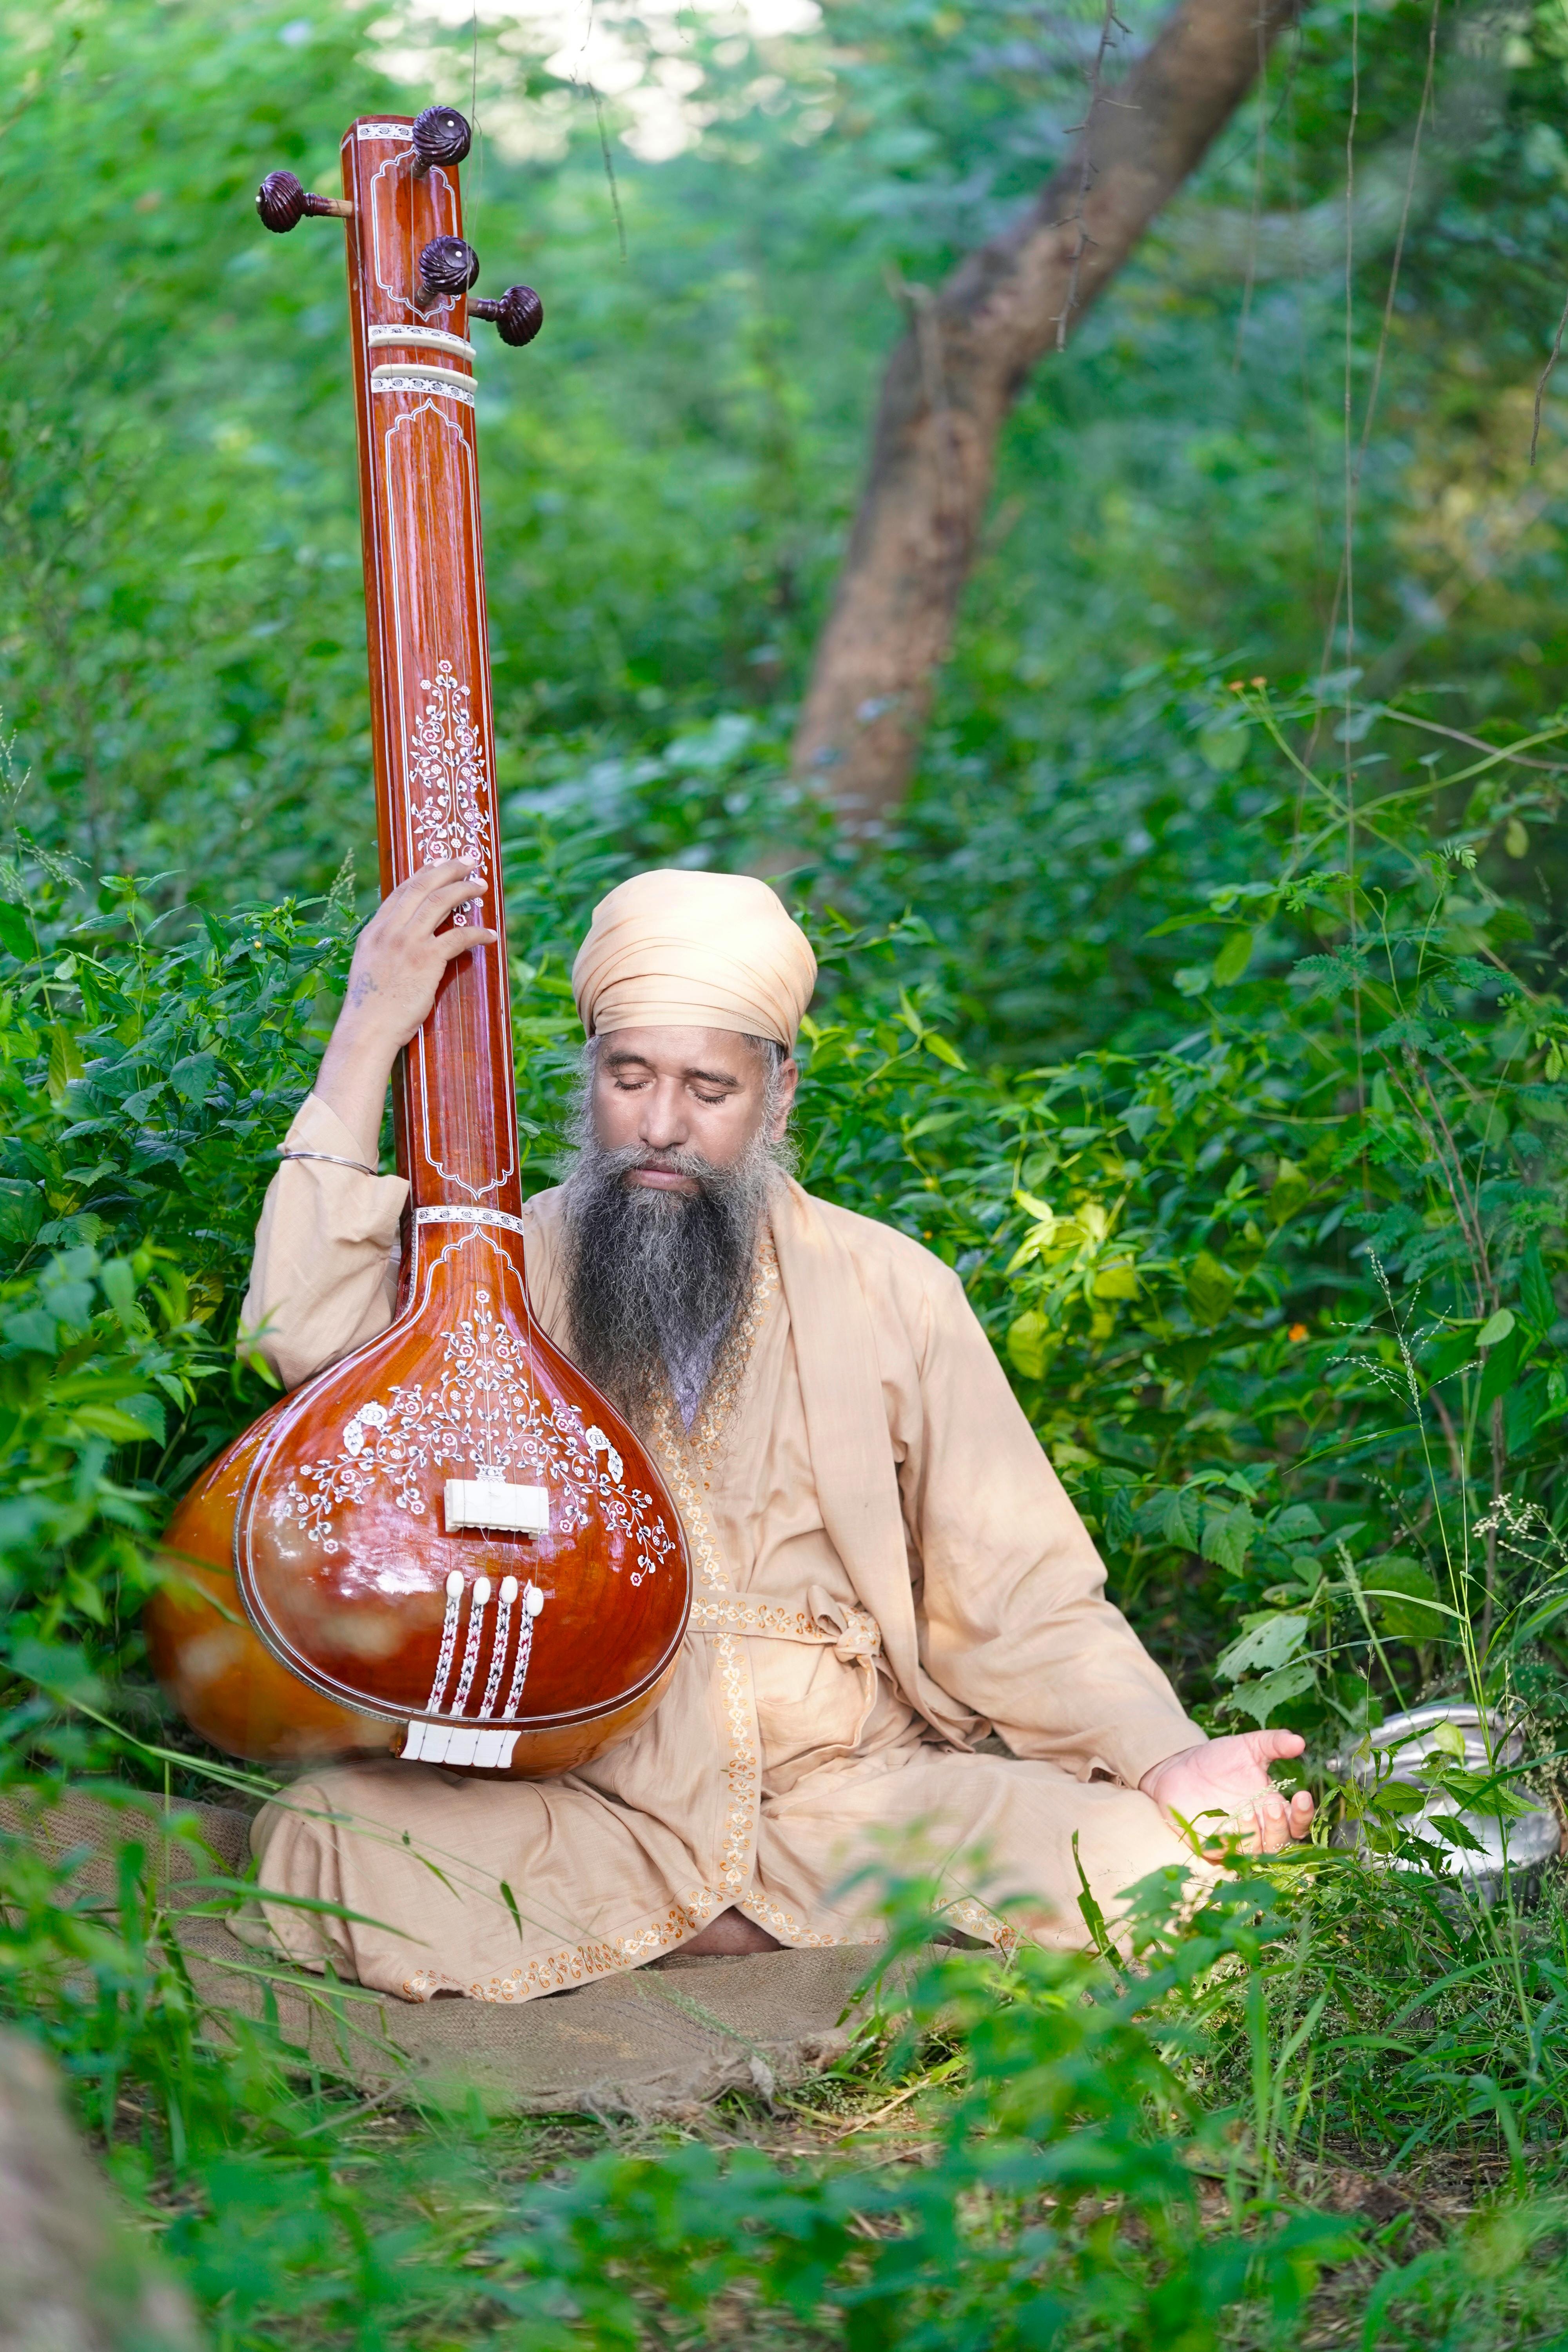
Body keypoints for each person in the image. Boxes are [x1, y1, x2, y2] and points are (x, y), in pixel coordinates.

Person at [238, 860, 1314, 2004]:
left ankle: (713, 1930)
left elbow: (1023, 1593)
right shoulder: (500, 1269)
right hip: (592, 1797)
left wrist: (1166, 1755)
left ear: (778, 1096)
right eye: (629, 1077)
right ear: (588, 1079)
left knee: (1166, 1864)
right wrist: (368, 1032)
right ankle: (782, 1931)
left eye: (710, 1088)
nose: (661, 1125)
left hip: (857, 1800)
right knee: (326, 1839)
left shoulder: (891, 1288)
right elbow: (301, 1338)